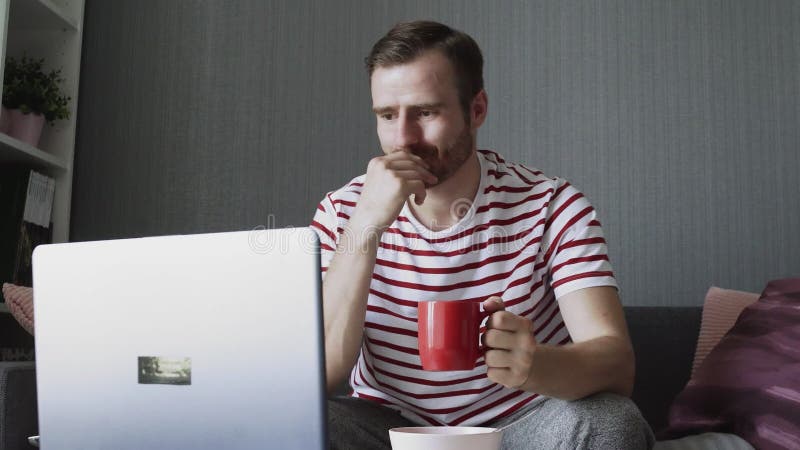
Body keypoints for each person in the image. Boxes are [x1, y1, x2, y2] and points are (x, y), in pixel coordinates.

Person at [310, 20, 655, 449]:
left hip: (521, 427)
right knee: (300, 425)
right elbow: (321, 374)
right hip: (388, 430)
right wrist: (365, 225)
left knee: (611, 421)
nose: (402, 139)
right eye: (386, 116)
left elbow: (616, 365)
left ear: (477, 110)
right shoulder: (342, 209)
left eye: (425, 112)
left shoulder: (551, 205)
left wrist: (536, 364)